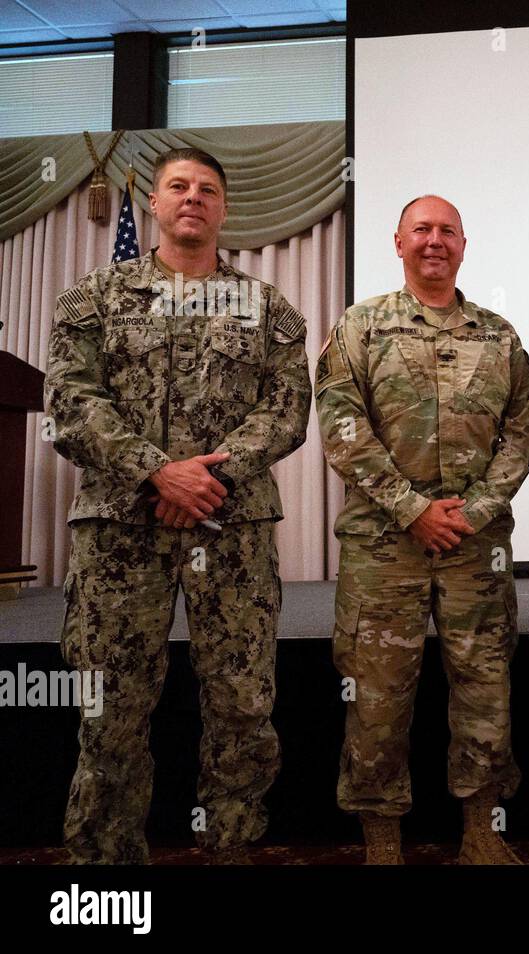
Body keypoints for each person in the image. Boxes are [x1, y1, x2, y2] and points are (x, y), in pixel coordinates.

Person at [45, 147, 311, 864]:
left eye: (207, 189)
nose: (192, 198)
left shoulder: (268, 309)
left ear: (224, 209)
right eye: (177, 187)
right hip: (119, 533)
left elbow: (286, 412)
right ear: (154, 204)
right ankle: (104, 868)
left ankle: (231, 847)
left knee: (241, 705)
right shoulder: (92, 300)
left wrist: (205, 482)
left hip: (231, 529)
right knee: (111, 711)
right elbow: (71, 403)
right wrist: (159, 474)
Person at [316, 194, 529, 865]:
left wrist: (473, 510)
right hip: (385, 550)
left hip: (476, 552)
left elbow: (523, 430)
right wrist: (410, 508)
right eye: (422, 229)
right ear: (398, 242)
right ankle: (382, 842)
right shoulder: (360, 326)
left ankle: (481, 832)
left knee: (486, 693)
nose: (434, 240)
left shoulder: (499, 336)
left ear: (464, 246)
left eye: (448, 231)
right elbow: (342, 426)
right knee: (377, 700)